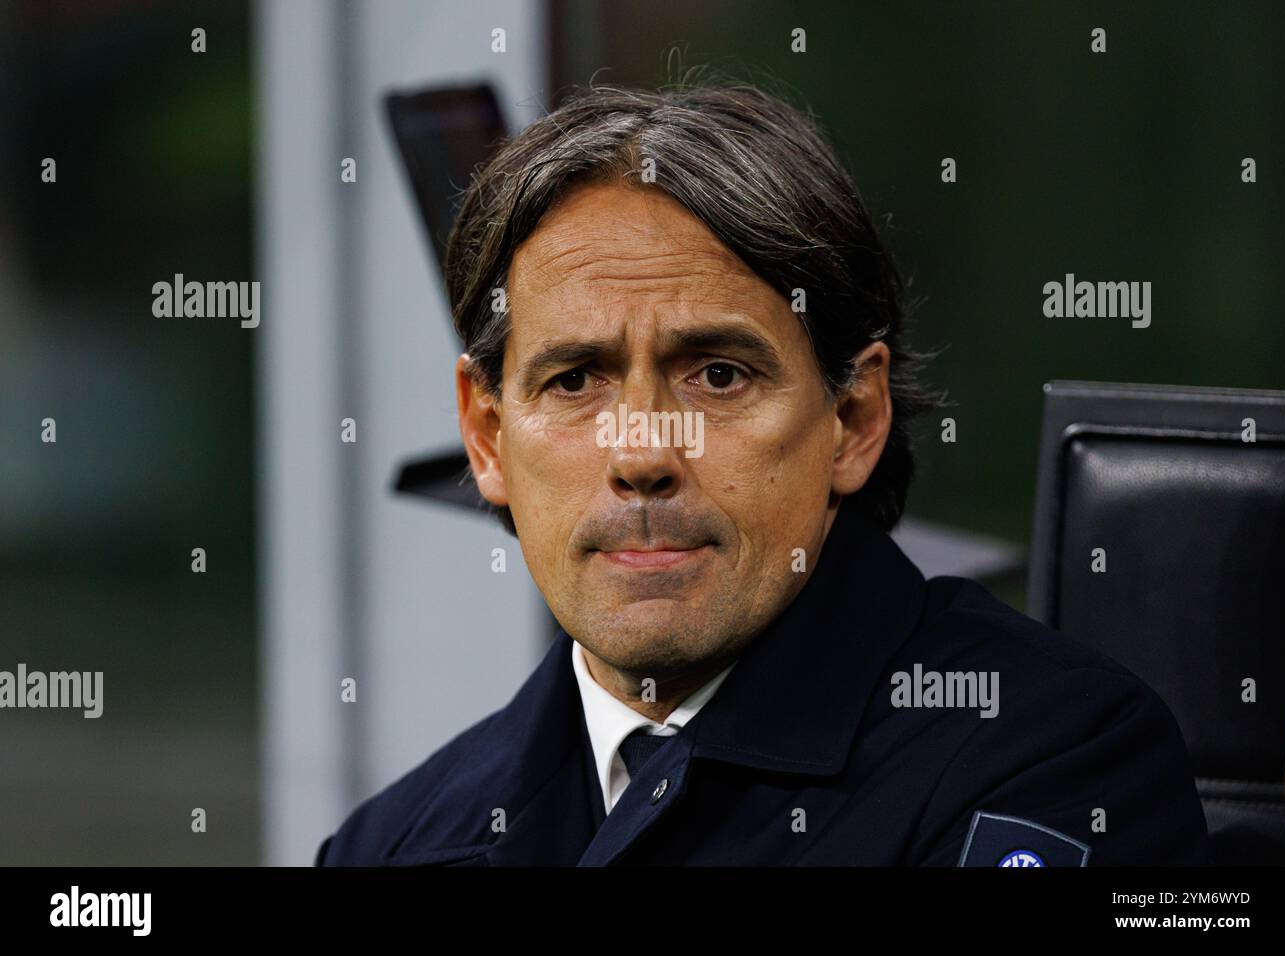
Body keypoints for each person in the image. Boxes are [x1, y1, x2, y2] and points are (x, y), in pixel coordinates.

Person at [316, 80, 1212, 866]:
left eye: (718, 376)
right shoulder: (388, 846)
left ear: (853, 420)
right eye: (576, 380)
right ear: (486, 437)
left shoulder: (1058, 763)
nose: (643, 453)